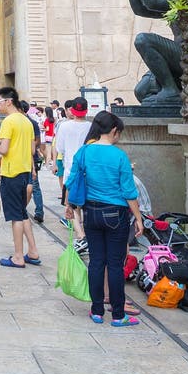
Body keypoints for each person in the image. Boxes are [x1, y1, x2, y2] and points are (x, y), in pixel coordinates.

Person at [65, 111, 143, 327]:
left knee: (96, 262)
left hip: (91, 212)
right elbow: (129, 191)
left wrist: (70, 206)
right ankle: (118, 315)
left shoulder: (84, 152)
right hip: (115, 214)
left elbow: (71, 180)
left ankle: (97, 311)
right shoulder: (119, 156)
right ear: (114, 130)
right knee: (115, 265)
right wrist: (138, 218)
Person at [0, 87, 40, 268]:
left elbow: (4, 149)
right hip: (23, 172)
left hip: (11, 173)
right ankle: (33, 251)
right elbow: (31, 150)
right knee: (22, 213)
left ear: (8, 101)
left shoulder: (9, 121)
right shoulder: (26, 121)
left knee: (15, 217)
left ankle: (18, 256)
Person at [53, 96, 90, 253]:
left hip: (71, 171)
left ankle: (81, 236)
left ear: (72, 110)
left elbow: (60, 148)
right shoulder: (91, 126)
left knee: (73, 206)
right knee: (86, 204)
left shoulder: (65, 127)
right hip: (88, 171)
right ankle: (86, 234)